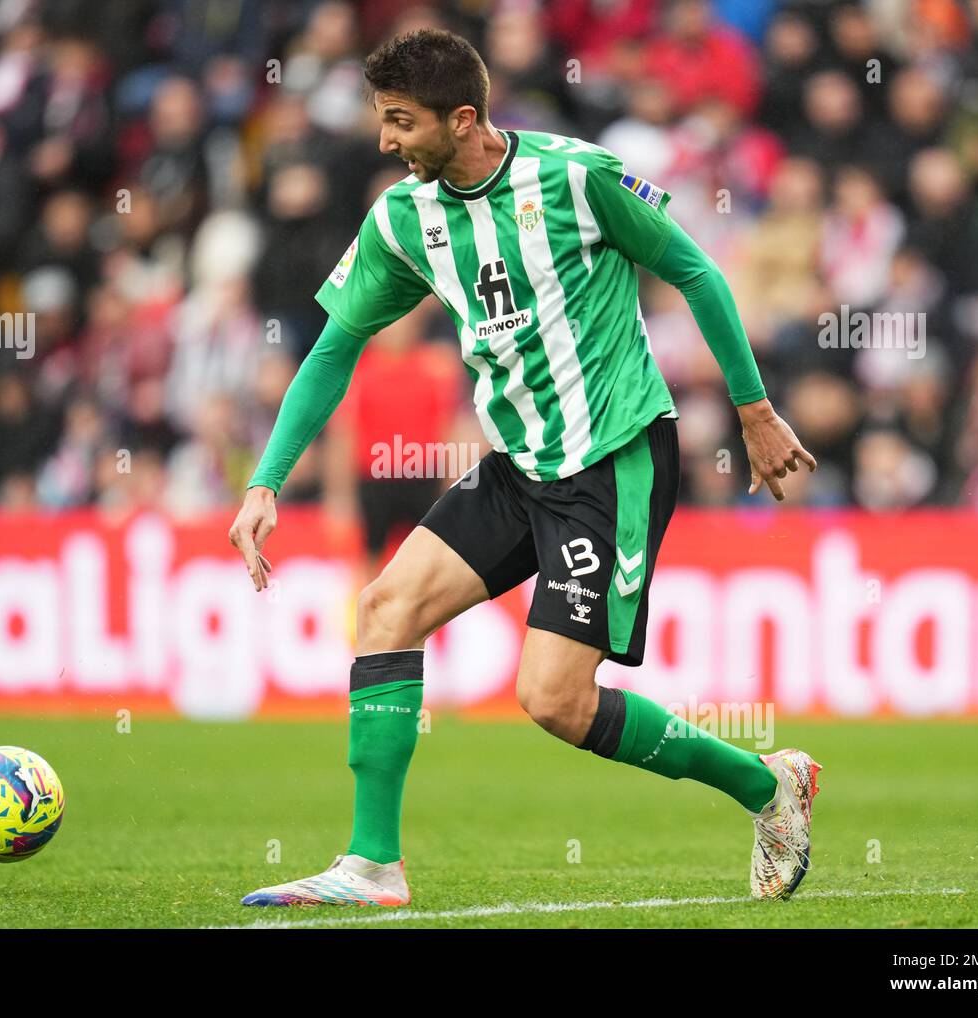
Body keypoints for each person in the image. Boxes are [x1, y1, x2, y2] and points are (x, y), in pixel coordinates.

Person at [228, 28, 820, 908]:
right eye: (381, 119)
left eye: (401, 122)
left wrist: (755, 411)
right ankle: (372, 866)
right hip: (518, 462)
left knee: (553, 701)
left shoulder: (579, 177)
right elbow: (334, 349)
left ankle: (766, 786)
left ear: (463, 119)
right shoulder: (403, 218)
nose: (385, 141)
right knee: (386, 607)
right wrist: (266, 480)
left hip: (613, 457)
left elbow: (695, 271)